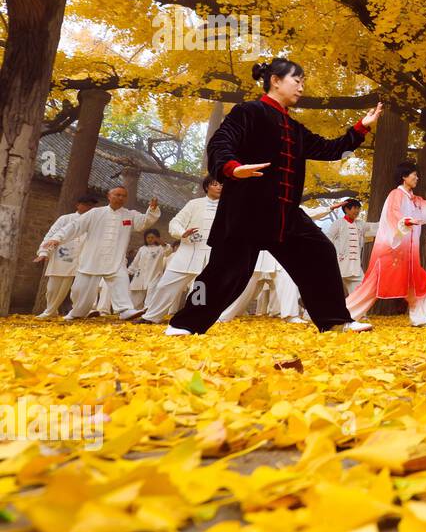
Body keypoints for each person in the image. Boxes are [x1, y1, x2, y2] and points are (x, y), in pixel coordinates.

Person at [167, 57, 380, 335]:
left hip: (285, 215)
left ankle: (334, 321)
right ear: (275, 81)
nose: (301, 88)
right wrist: (233, 168)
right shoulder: (248, 112)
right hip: (246, 212)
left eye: (303, 82)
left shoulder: (295, 128)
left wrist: (361, 127)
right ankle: (183, 325)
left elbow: (330, 150)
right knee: (224, 274)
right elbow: (221, 143)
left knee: (320, 252)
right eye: (296, 80)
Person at [346, 162, 426, 326]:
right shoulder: (396, 194)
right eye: (414, 175)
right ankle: (342, 316)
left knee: (414, 284)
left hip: (409, 253)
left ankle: (419, 318)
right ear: (404, 176)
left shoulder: (414, 200)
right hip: (391, 250)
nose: (417, 178)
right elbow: (393, 213)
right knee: (374, 284)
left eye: (417, 175)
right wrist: (405, 221)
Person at [47, 187, 160, 321]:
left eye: (124, 196)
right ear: (109, 196)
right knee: (80, 290)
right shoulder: (95, 213)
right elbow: (75, 226)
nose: (120, 198)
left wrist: (152, 209)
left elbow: (144, 222)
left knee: (121, 282)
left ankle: (125, 310)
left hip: (115, 258)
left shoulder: (130, 215)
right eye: (117, 195)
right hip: (92, 259)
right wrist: (57, 238)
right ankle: (77, 312)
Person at [139, 176, 223, 323]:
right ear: (206, 187)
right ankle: (151, 317)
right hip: (187, 252)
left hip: (211, 255)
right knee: (166, 285)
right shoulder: (194, 204)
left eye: (222, 184)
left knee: (201, 288)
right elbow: (175, 222)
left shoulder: (228, 206)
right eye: (215, 184)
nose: (219, 187)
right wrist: (183, 232)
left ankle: (194, 318)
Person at [32, 195, 98, 318]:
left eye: (91, 205)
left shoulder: (94, 222)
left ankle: (84, 310)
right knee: (54, 288)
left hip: (85, 257)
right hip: (64, 255)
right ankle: (51, 311)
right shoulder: (65, 219)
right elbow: (51, 235)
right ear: (77, 205)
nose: (88, 207)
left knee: (83, 286)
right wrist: (44, 252)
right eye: (85, 204)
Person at [329, 199, 374, 297]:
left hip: (355, 268)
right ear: (346, 209)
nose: (357, 211)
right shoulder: (338, 223)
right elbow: (328, 239)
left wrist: (396, 223)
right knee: (328, 291)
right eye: (355, 208)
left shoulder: (360, 224)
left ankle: (355, 312)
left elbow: (374, 227)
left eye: (358, 208)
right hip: (340, 266)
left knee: (360, 293)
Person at [127, 228, 169, 310]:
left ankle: (148, 312)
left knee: (151, 294)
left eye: (152, 237)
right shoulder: (142, 249)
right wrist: (129, 272)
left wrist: (163, 243)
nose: (150, 239)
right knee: (135, 295)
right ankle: (133, 311)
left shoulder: (161, 248)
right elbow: (135, 262)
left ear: (157, 238)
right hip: (140, 276)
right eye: (148, 237)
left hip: (154, 275)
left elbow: (168, 251)